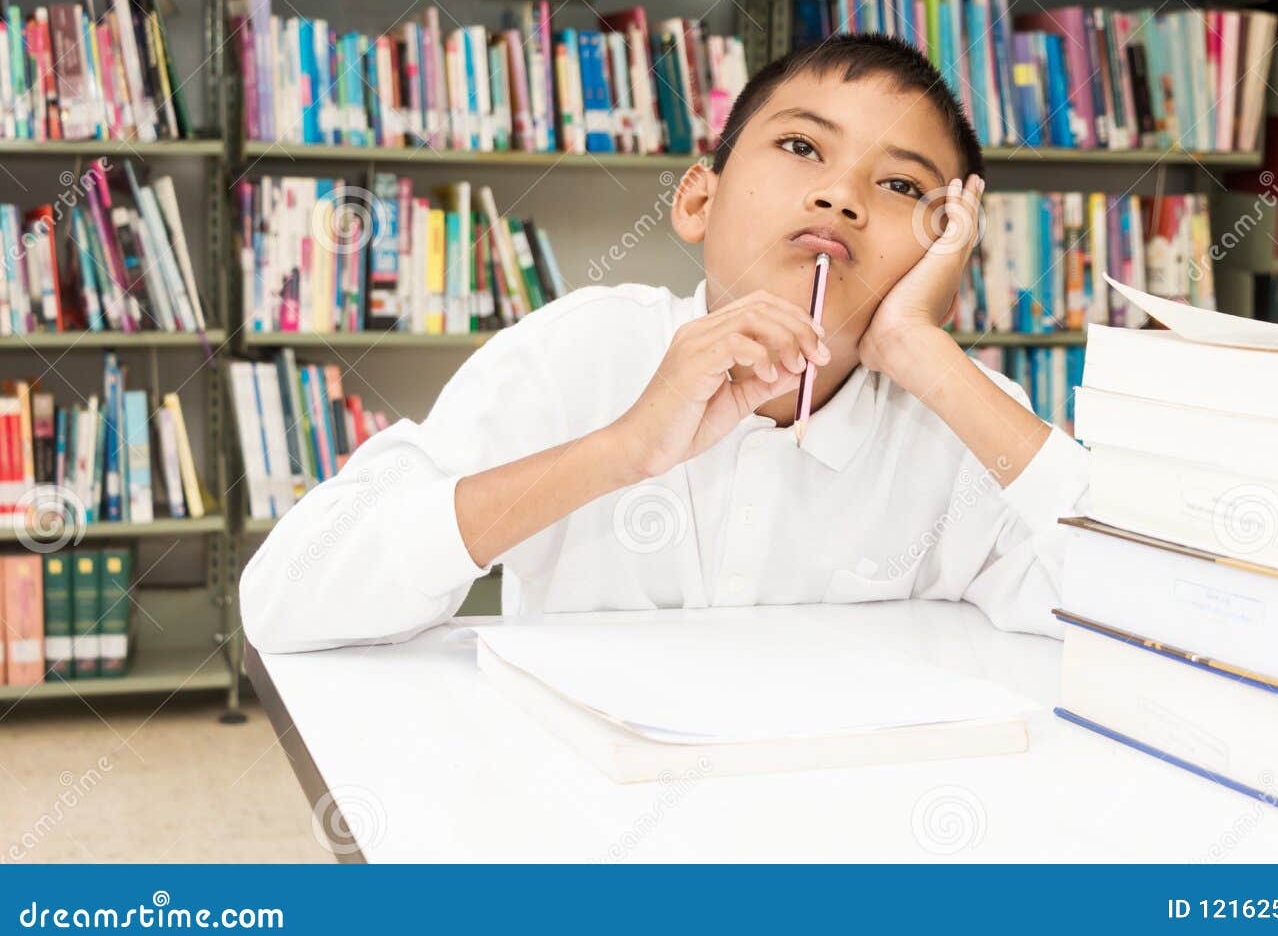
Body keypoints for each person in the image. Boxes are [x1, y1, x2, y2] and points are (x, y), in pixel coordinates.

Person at [241, 33, 1088, 653]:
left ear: (946, 252)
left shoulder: (963, 421)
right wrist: (618, 450)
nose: (840, 195)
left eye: (901, 185)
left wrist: (921, 350)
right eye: (800, 147)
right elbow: (288, 601)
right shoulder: (581, 352)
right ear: (697, 202)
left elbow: (1164, 618)